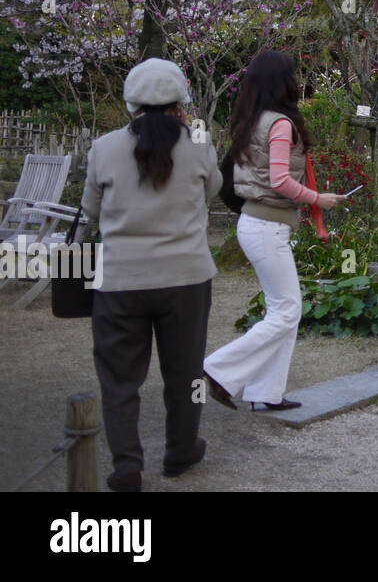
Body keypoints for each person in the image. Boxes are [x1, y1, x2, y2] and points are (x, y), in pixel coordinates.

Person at [81, 58, 221, 491]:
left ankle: (127, 465)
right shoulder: (199, 142)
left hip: (120, 280)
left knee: (119, 380)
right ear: (181, 102)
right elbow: (213, 189)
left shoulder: (104, 147)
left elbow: (89, 210)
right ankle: (181, 451)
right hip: (186, 276)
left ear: (131, 103)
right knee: (187, 373)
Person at [203, 52, 346, 412]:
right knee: (287, 310)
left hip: (256, 223)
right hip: (267, 226)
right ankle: (217, 369)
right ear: (284, 82)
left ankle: (265, 392)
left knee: (282, 310)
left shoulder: (253, 120)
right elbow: (280, 180)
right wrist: (318, 199)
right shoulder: (281, 124)